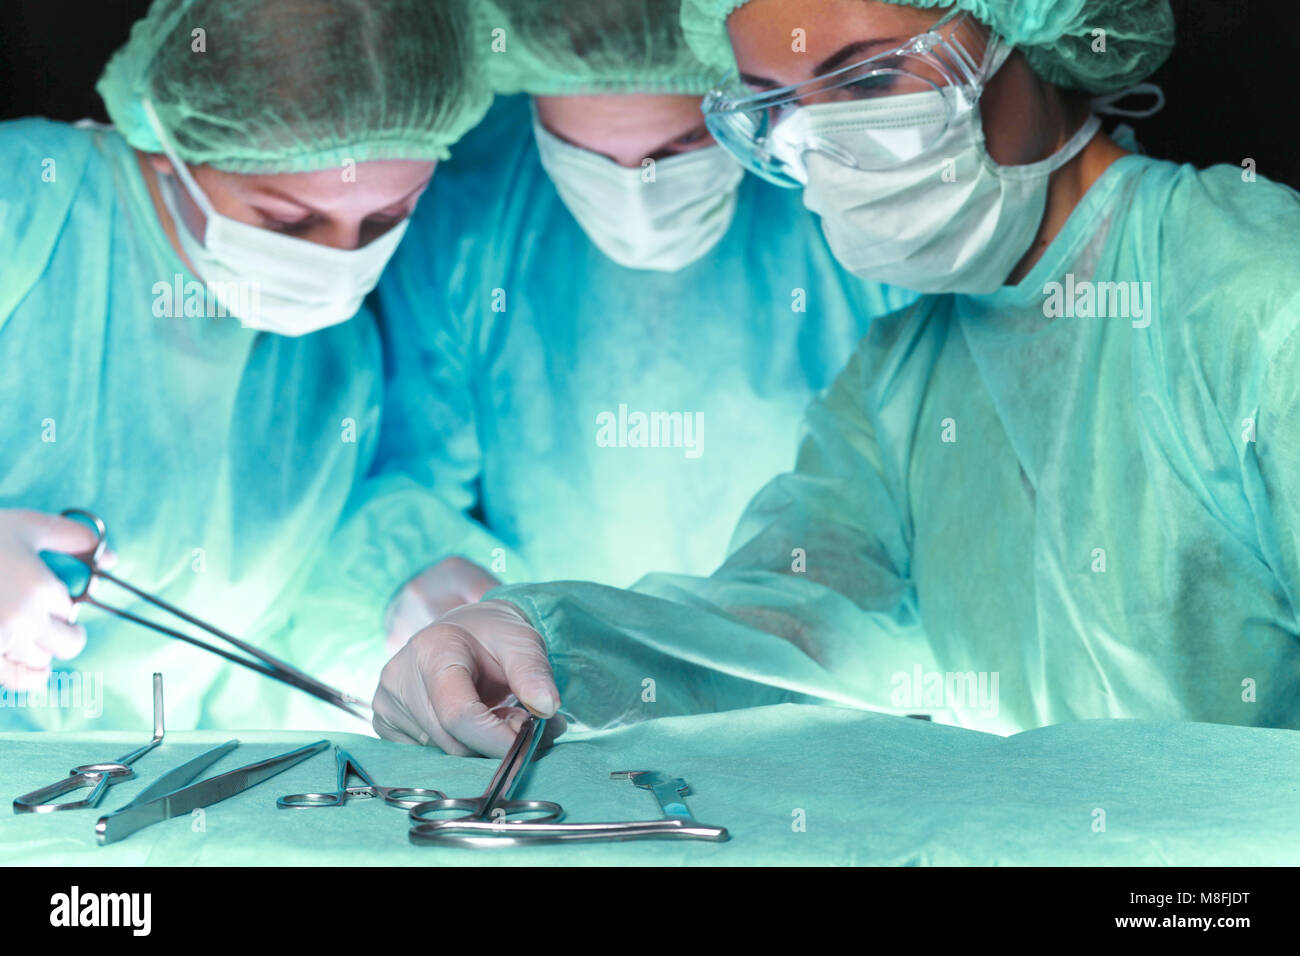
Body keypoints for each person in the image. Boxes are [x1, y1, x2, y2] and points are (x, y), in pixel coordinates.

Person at [371, 0, 1300, 757]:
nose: (825, 138)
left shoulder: (1260, 299)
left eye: (872, 75)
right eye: (776, 103)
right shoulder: (898, 383)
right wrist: (548, 648)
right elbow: (784, 626)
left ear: (1026, 27)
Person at [0, 0, 491, 730]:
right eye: (288, 220)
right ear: (169, 135)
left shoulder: (336, 359)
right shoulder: (26, 204)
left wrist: (400, 598)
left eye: (388, 218)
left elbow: (267, 654)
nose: (338, 261)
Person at [372, 0, 915, 646]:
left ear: (748, 96)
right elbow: (409, 471)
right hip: (553, 681)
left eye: (683, 142)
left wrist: (811, 632)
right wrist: (417, 576)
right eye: (583, 153)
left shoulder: (840, 196)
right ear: (533, 107)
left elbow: (923, 481)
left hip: (828, 667)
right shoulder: (472, 216)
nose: (637, 192)